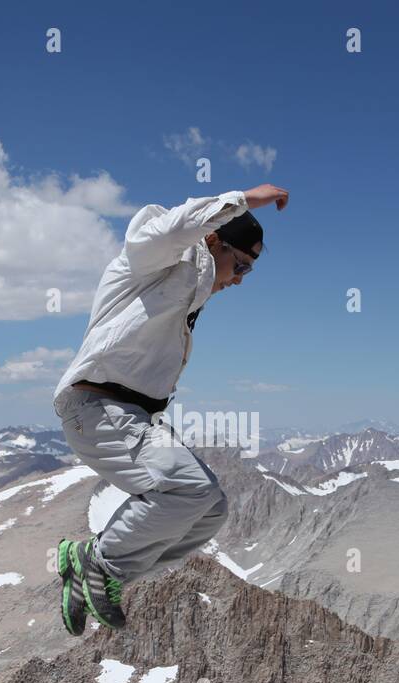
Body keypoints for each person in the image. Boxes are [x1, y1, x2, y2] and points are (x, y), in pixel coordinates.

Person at [52, 184, 290, 631]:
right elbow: (175, 227)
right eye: (240, 265)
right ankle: (97, 562)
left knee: (211, 507)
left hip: (131, 416)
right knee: (189, 489)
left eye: (249, 273)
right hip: (97, 406)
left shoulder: (186, 296)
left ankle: (103, 572)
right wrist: (242, 200)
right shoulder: (152, 260)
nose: (239, 279)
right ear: (215, 240)